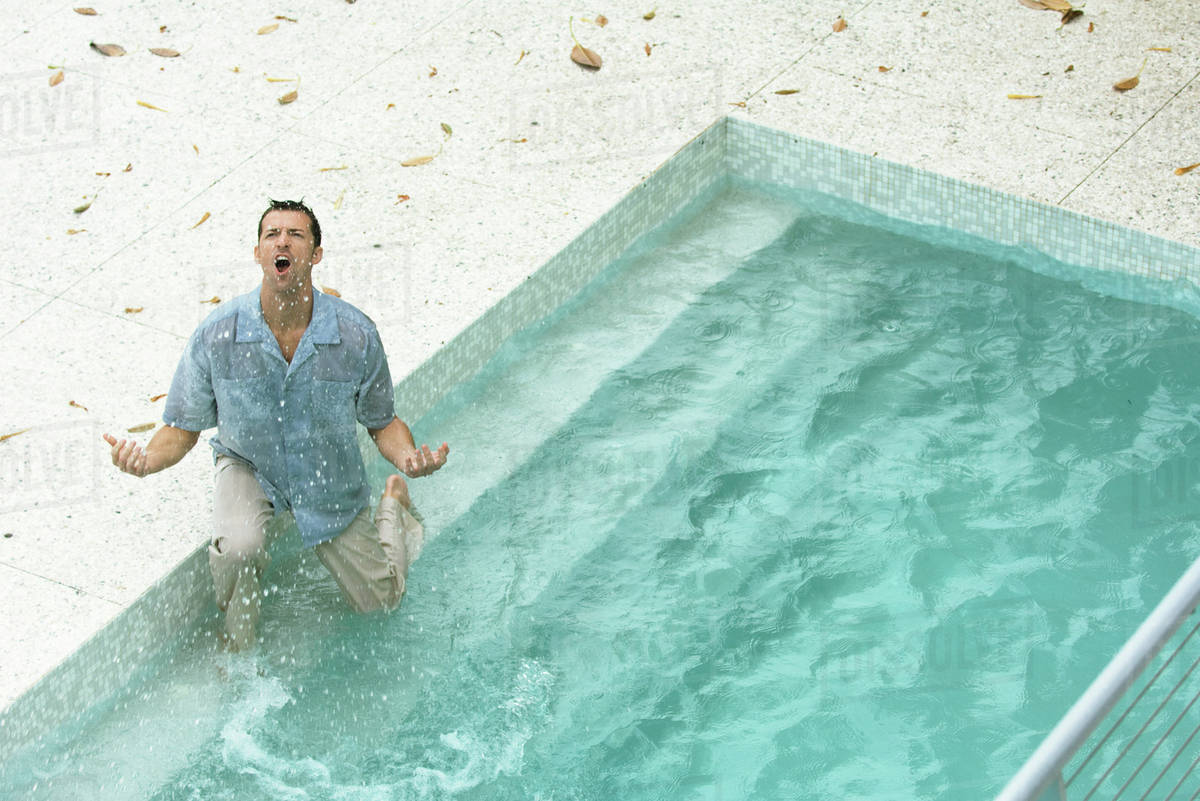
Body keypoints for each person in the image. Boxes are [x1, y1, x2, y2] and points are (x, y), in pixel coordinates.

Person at [103, 199, 449, 650]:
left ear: (316, 254)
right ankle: (237, 645)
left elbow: (383, 422)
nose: (282, 241)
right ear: (258, 253)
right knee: (240, 547)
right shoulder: (218, 333)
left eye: (296, 235)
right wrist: (147, 459)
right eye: (272, 234)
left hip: (327, 474)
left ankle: (393, 507)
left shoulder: (356, 334)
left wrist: (407, 458)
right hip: (250, 465)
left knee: (381, 603)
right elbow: (182, 428)